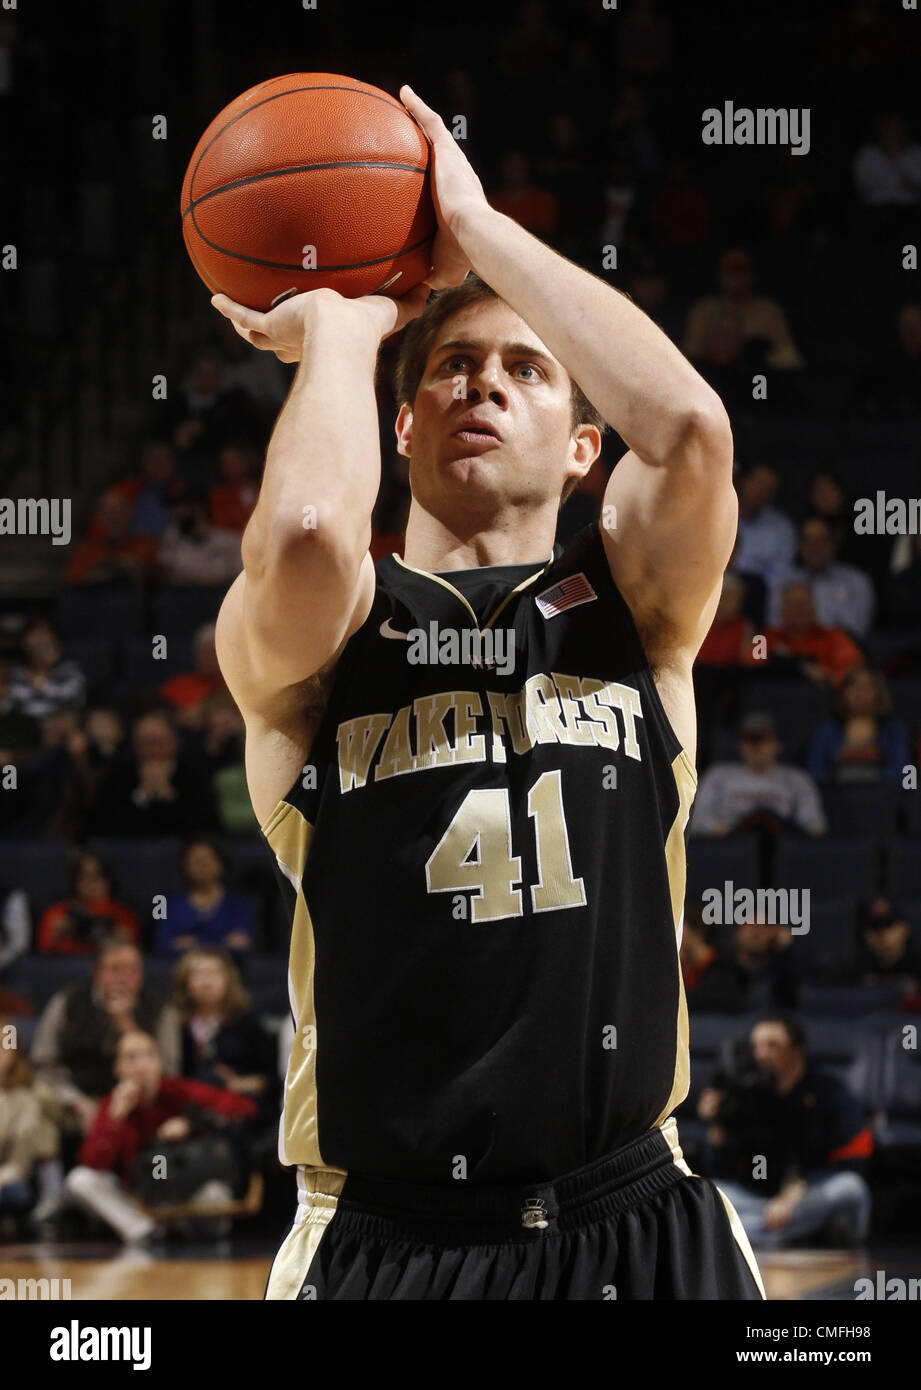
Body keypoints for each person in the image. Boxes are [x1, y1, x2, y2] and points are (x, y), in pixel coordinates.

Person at [211, 85, 763, 1301]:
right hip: (387, 1238)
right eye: (453, 366)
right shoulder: (334, 635)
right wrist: (350, 330)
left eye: (527, 368)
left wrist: (476, 224)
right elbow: (306, 528)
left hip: (634, 1214)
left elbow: (691, 433)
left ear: (582, 445)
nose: (484, 383)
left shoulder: (636, 607)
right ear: (400, 424)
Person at [65, 1029, 257, 1244]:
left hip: (187, 1193)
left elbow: (244, 1108)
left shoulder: (179, 1090)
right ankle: (147, 1232)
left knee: (215, 1193)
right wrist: (114, 1120)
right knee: (80, 1180)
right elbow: (92, 1163)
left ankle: (193, 1236)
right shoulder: (113, 1105)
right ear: (117, 1068)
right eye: (131, 1058)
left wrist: (191, 1122)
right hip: (142, 1198)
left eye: (149, 1056)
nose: (142, 1065)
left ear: (159, 1062)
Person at [700, 1014, 873, 1249]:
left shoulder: (830, 1093)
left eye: (772, 1046)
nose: (761, 1054)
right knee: (711, 1192)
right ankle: (782, 1232)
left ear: (797, 1050)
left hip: (813, 1194)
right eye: (756, 1046)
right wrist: (716, 1123)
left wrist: (800, 1190)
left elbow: (855, 1160)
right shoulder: (751, 1096)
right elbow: (726, 1169)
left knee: (851, 1187)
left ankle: (739, 1233)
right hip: (765, 1202)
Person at [31, 940, 181, 1137]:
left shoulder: (162, 1011)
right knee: (37, 1096)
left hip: (135, 1099)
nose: (122, 978)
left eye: (131, 970)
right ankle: (49, 1167)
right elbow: (43, 1062)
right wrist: (77, 1101)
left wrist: (125, 1024)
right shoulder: (68, 1001)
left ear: (141, 976)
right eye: (114, 969)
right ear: (97, 974)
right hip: (73, 1096)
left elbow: (168, 1072)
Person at [173, 948, 278, 1125]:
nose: (206, 981)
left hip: (239, 1113)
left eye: (214, 973)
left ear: (229, 980)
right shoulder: (176, 1023)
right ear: (184, 981)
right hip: (188, 1110)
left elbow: (273, 1076)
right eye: (198, 973)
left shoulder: (247, 1022)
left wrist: (244, 1084)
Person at [692, 712, 826, 838]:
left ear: (777, 744)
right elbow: (695, 822)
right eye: (750, 739)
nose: (756, 746)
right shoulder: (718, 775)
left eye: (762, 739)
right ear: (741, 745)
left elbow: (814, 827)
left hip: (781, 849)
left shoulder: (797, 779)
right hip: (731, 848)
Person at [89, 708, 217, 837]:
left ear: (174, 742)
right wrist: (141, 796)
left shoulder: (192, 773)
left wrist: (169, 797)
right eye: (145, 743)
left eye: (158, 742)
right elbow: (105, 824)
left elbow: (204, 824)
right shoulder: (119, 774)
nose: (152, 750)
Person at [684, 250, 804, 373]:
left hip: (756, 381)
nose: (736, 279)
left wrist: (754, 355)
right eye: (730, 272)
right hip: (710, 377)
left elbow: (789, 358)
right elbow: (691, 355)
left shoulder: (768, 310)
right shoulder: (703, 309)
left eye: (742, 272)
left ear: (752, 275)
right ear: (719, 275)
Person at [767, 516, 875, 638]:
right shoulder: (783, 581)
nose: (815, 548)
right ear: (799, 546)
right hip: (792, 649)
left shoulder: (857, 582)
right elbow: (774, 625)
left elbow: (856, 632)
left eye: (822, 541)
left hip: (836, 651)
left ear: (833, 544)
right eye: (809, 541)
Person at [0, 1026, 60, 1229]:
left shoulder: (25, 1099)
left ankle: (51, 1199)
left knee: (17, 1194)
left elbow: (19, 1164)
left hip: (5, 1180)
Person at [807, 667, 909, 785]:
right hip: (835, 797)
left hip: (883, 796)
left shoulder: (894, 730)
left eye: (866, 687)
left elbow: (899, 771)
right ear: (843, 693)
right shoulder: (826, 731)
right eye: (853, 686)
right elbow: (815, 772)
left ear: (878, 693)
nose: (859, 692)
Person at [154, 838, 254, 957]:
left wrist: (192, 942)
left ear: (221, 864)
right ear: (185, 866)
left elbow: (241, 944)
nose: (202, 866)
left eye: (207, 860)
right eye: (196, 861)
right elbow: (162, 944)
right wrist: (221, 942)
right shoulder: (166, 904)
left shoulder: (240, 904)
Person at [37, 851, 140, 956]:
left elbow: (136, 958)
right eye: (84, 876)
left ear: (109, 880)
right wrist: (56, 937)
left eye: (97, 876)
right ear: (75, 881)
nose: (90, 883)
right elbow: (41, 959)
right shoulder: (55, 914)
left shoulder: (123, 916)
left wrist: (123, 944)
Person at [764, 582, 864, 687]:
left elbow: (855, 673)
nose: (799, 610)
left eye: (804, 604)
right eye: (793, 605)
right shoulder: (766, 639)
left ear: (814, 607)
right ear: (781, 609)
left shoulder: (835, 637)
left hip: (824, 698)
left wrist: (827, 676)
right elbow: (751, 668)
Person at [732, 462, 796, 593]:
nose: (760, 491)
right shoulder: (721, 513)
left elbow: (779, 581)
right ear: (744, 481)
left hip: (757, 596)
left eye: (768, 488)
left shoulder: (782, 528)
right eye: (758, 483)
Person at [7, 618, 86, 721]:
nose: (43, 646)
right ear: (25, 645)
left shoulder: (70, 669)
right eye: (37, 644)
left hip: (62, 726)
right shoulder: (18, 672)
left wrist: (43, 685)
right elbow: (17, 701)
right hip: (25, 728)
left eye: (48, 641)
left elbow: (72, 699)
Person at [840, 899, 921, 997]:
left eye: (883, 907)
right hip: (874, 978)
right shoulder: (866, 933)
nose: (880, 910)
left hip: (902, 972)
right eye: (877, 908)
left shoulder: (902, 929)